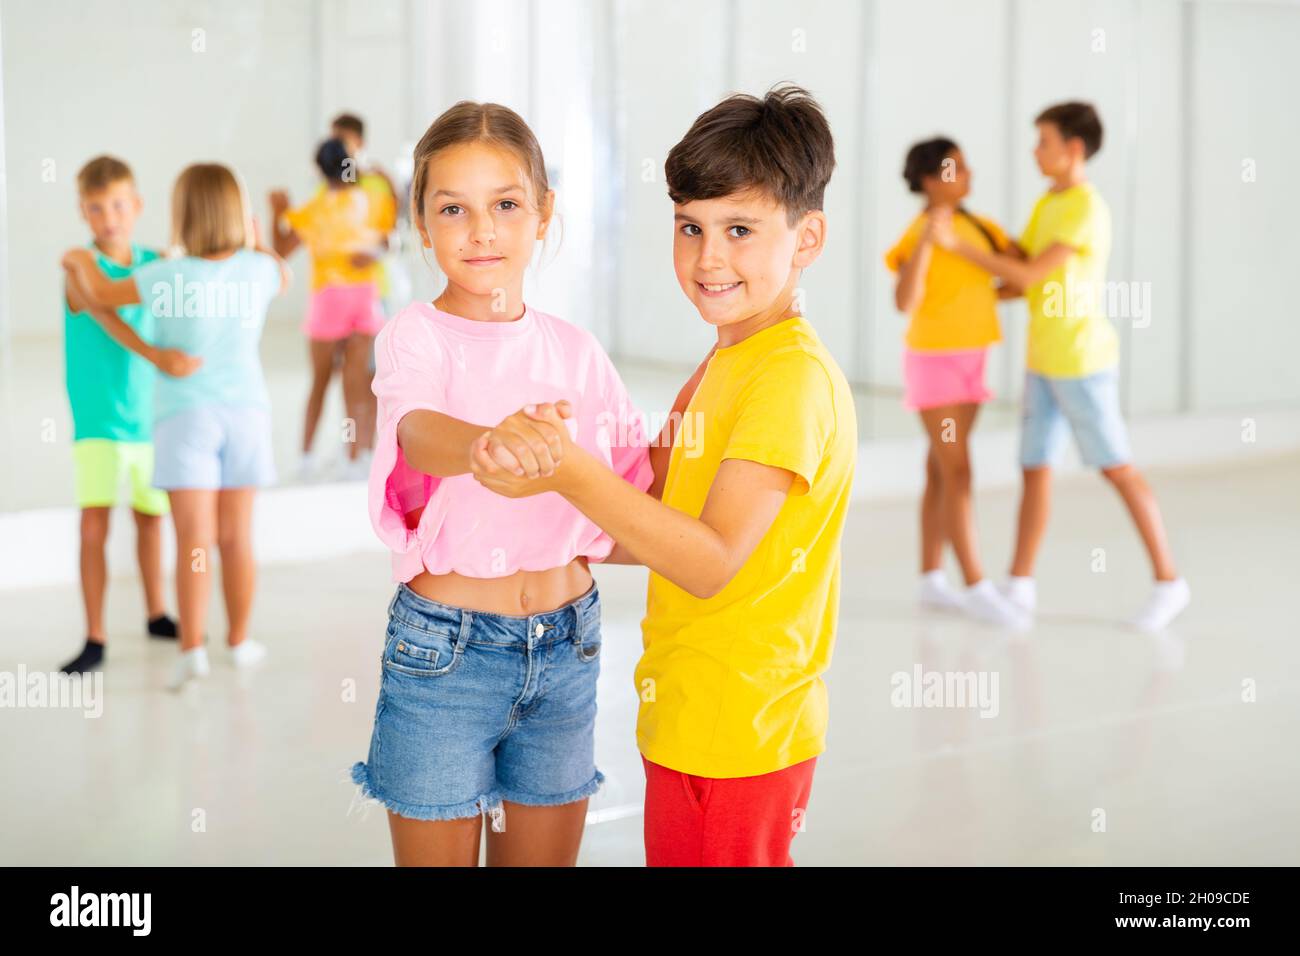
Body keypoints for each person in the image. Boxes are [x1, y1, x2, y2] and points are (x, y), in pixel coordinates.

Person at [471, 85, 857, 866]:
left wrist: (571, 473)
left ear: (807, 236)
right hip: (692, 715)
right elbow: (654, 509)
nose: (709, 257)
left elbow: (708, 559)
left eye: (740, 230)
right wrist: (545, 498)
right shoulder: (729, 358)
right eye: (691, 228)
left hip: (739, 731)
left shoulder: (788, 379)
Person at [349, 101, 654, 867]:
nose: (481, 230)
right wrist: (488, 444)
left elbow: (632, 502)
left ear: (543, 214)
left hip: (569, 649)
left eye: (506, 205)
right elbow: (416, 429)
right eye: (454, 208)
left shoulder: (579, 353)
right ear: (421, 223)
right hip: (445, 659)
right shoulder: (414, 336)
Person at [930, 101, 1189, 631]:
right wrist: (965, 271)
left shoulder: (1084, 209)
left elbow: (1028, 277)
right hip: (1042, 362)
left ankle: (1169, 581)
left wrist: (957, 244)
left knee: (1117, 468)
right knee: (1034, 468)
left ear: (1073, 149)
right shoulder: (1050, 201)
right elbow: (1018, 259)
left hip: (1082, 363)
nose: (1035, 151)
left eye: (1043, 142)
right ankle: (1020, 582)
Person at [63, 163, 291, 688]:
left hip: (185, 416)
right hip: (248, 414)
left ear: (181, 214)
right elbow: (283, 272)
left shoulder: (164, 275)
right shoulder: (258, 271)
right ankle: (239, 639)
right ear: (239, 214)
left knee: (194, 539)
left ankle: (192, 650)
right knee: (237, 537)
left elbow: (97, 292)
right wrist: (256, 240)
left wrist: (75, 257)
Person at [886, 138, 1028, 628]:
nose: (967, 175)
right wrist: (930, 242)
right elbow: (906, 300)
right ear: (929, 180)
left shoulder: (982, 227)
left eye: (967, 167)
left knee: (939, 469)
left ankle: (930, 578)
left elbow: (1020, 279)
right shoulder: (917, 231)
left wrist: (973, 286)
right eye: (955, 169)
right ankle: (976, 584)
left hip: (974, 359)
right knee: (959, 473)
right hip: (934, 365)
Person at [58, 155, 180, 674]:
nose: (108, 217)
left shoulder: (158, 260)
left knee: (152, 520)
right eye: (96, 208)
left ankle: (157, 612)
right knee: (94, 526)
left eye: (117, 205)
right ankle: (95, 635)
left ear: (136, 207)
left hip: (151, 419)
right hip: (98, 423)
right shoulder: (78, 265)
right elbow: (104, 313)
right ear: (83, 212)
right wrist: (156, 356)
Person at [270, 138, 395, 481]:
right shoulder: (371, 201)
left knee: (320, 383)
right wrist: (371, 254)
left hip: (327, 301)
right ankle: (354, 458)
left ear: (319, 171)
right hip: (364, 297)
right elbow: (388, 239)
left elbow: (281, 248)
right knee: (355, 387)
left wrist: (277, 212)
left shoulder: (315, 209)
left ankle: (306, 457)